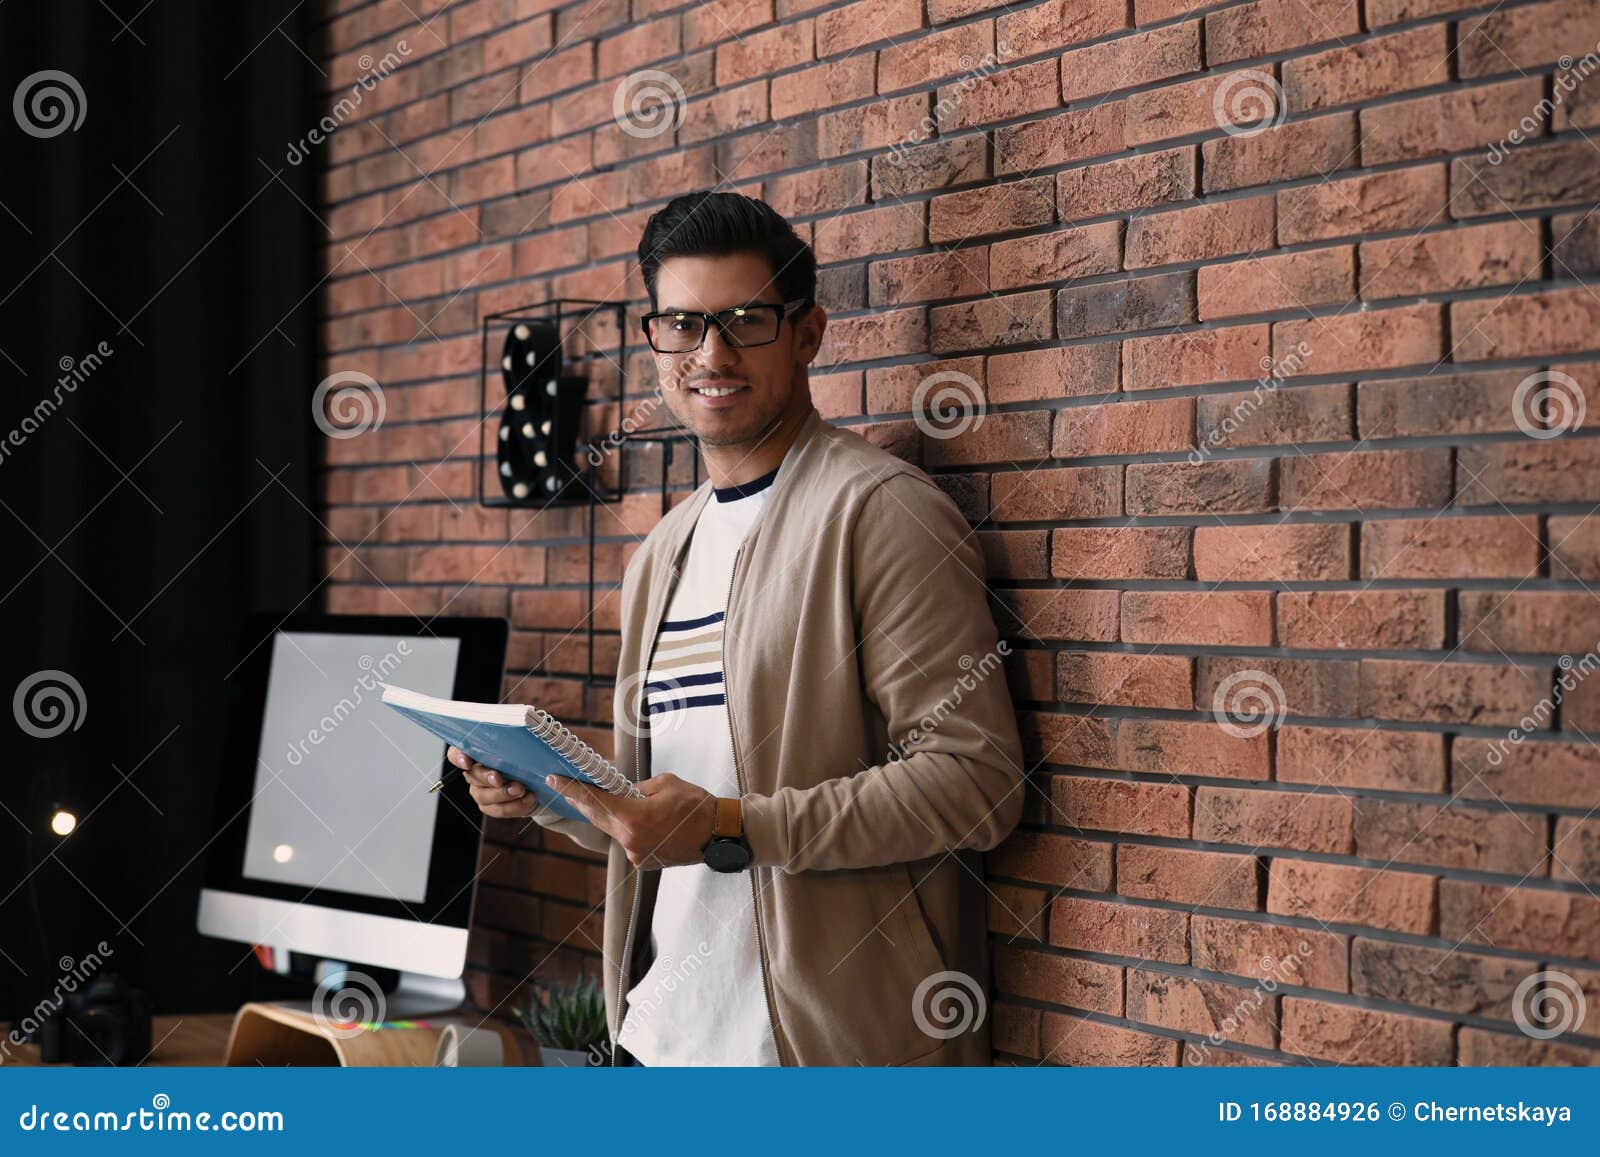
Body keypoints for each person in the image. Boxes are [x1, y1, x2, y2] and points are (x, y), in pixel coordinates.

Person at [450, 190, 1024, 1066]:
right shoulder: (664, 553)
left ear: (808, 332)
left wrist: (733, 823)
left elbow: (977, 783)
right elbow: (661, 817)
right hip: (664, 1042)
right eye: (682, 324)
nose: (711, 353)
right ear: (654, 345)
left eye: (746, 320)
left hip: (827, 1059)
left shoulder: (880, 514)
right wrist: (551, 799)